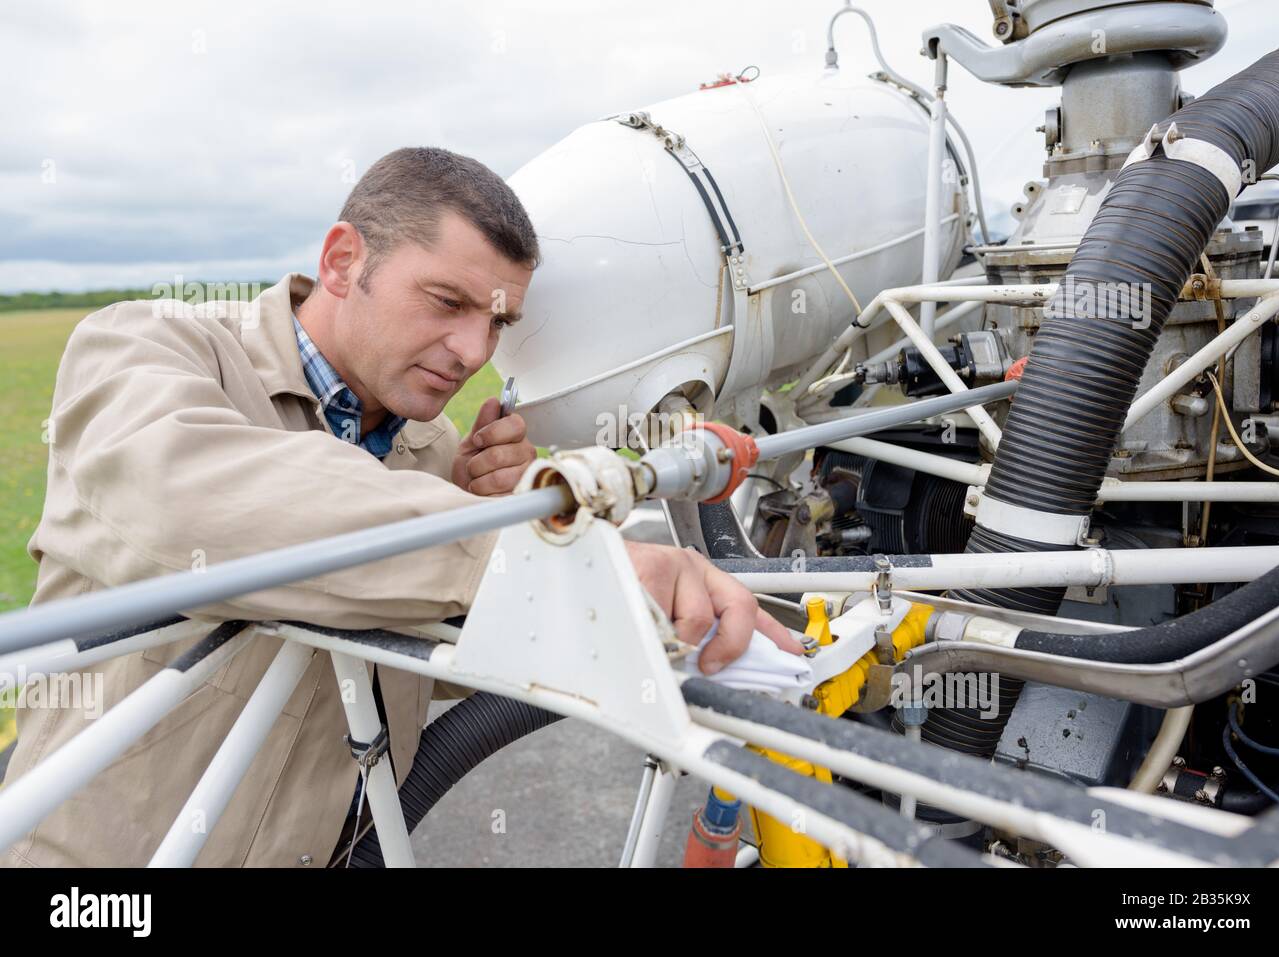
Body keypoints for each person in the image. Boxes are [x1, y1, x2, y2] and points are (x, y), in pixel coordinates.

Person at [2, 147, 801, 867]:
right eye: (447, 301)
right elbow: (185, 500)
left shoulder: (432, 451)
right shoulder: (148, 346)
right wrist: (516, 550)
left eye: (498, 320)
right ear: (345, 260)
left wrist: (504, 522)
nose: (473, 351)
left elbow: (419, 668)